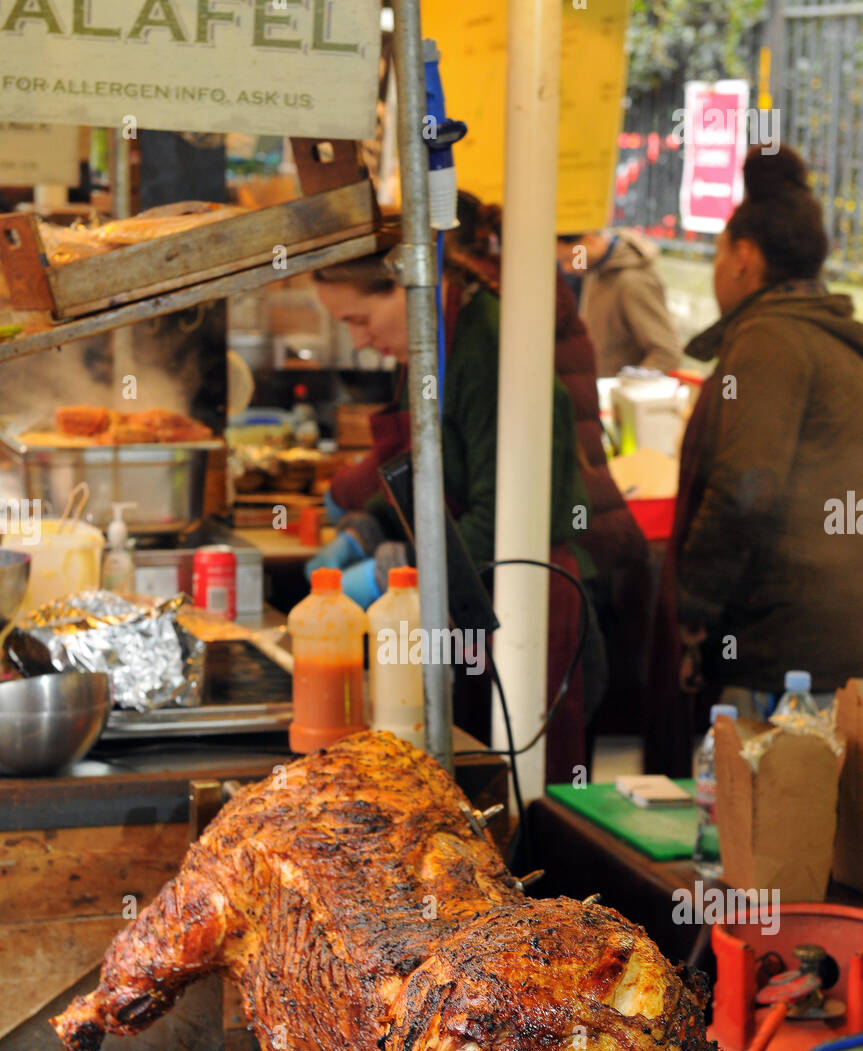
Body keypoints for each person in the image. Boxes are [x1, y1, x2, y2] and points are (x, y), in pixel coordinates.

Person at [310, 243, 606, 781]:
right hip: (473, 595)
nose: (359, 340)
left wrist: (403, 577)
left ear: (404, 285)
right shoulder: (428, 345)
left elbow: (502, 518)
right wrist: (371, 523)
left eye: (360, 319)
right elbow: (429, 462)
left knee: (516, 786)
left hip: (526, 595)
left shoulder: (486, 346)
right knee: (462, 771)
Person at [645, 144, 863, 774]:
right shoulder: (828, 336)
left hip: (788, 655)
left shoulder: (769, 339)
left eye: (717, 253)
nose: (716, 269)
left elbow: (748, 487)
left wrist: (692, 610)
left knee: (763, 841)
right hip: (831, 643)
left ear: (745, 258)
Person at [556, 228, 681, 377]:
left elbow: (666, 352)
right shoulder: (594, 269)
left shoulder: (633, 281)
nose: (567, 268)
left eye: (570, 259)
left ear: (589, 240)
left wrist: (623, 388)